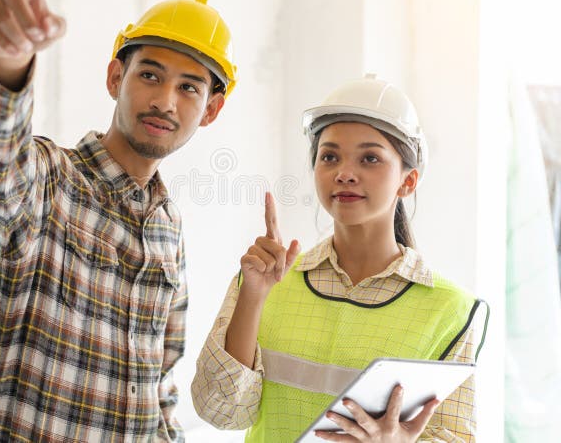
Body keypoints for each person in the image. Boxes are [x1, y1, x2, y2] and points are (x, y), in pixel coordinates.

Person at [0, 0, 237, 442]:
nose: (165, 102)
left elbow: (160, 388)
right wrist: (10, 58)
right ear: (116, 77)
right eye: (149, 75)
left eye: (189, 87)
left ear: (211, 110)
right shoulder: (51, 181)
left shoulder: (168, 228)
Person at [191, 74, 488, 442]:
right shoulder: (267, 278)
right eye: (329, 156)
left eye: (370, 158)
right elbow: (220, 411)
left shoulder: (451, 310)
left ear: (407, 181)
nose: (345, 174)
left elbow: (455, 436)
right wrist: (252, 296)